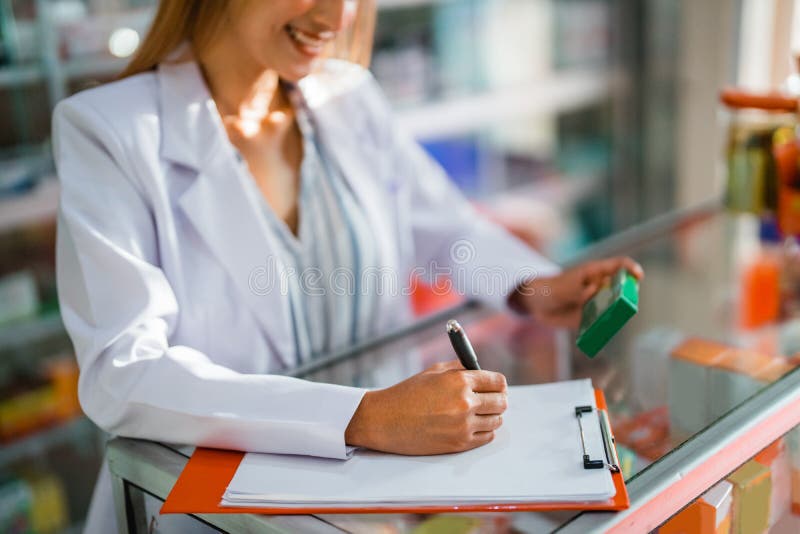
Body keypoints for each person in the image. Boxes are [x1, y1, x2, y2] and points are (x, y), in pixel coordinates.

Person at [53, 0, 643, 530]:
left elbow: (445, 232)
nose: (337, 20)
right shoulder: (110, 131)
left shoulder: (347, 97)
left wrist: (535, 288)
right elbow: (122, 372)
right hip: (212, 517)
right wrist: (365, 417)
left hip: (372, 502)